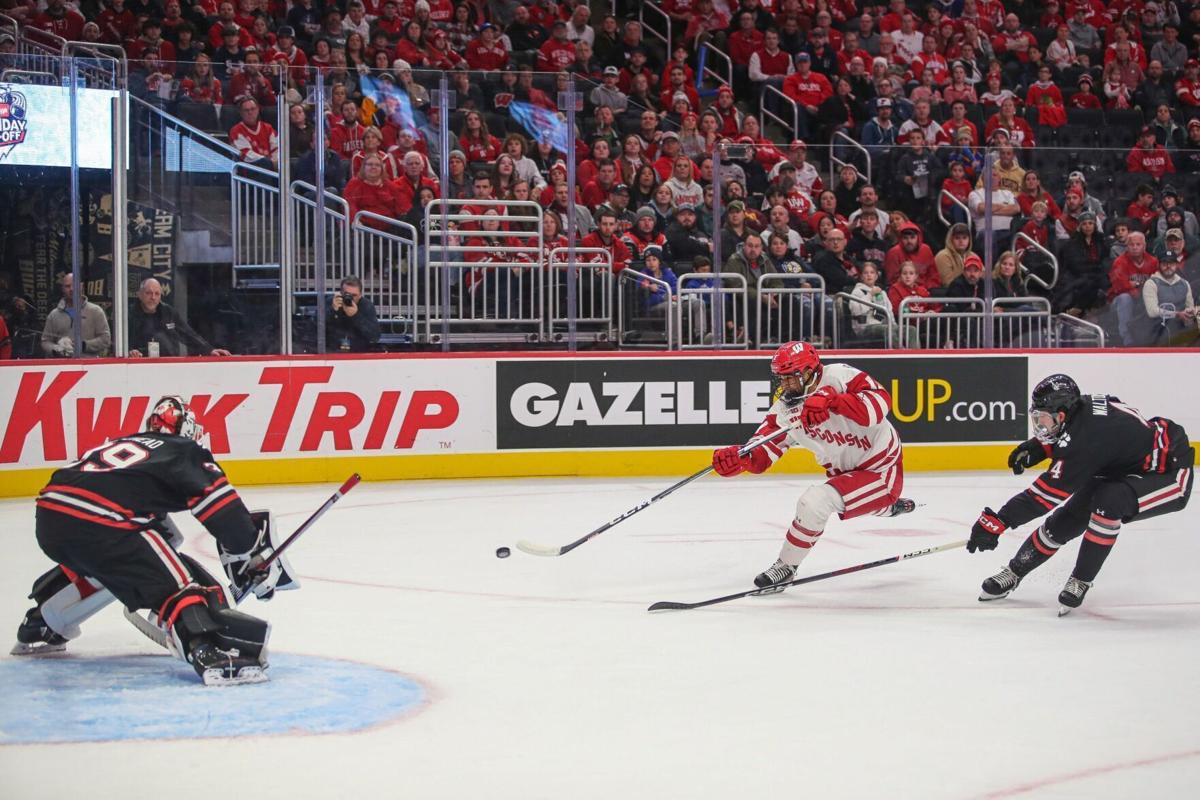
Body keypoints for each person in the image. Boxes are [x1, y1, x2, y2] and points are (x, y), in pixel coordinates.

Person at [10, 395, 293, 685]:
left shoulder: (123, 444)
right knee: (179, 580)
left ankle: (42, 624)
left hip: (50, 517)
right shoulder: (185, 449)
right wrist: (250, 552)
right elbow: (223, 509)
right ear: (187, 431)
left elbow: (162, 531)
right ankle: (208, 649)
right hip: (103, 520)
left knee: (118, 563)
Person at [968, 374, 1195, 614]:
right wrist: (1040, 446)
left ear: (1062, 414)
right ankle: (1015, 572)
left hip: (1168, 474)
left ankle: (1080, 580)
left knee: (1109, 501)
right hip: (1123, 466)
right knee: (1069, 518)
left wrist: (997, 522)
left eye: (1043, 419)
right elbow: (1074, 434)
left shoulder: (1087, 442)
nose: (1040, 426)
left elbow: (1042, 497)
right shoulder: (1082, 407)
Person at [710, 342, 914, 591]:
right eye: (781, 379)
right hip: (845, 475)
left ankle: (786, 567)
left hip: (882, 470)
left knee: (815, 501)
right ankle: (890, 508)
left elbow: (878, 407)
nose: (785, 386)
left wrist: (833, 400)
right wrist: (740, 459)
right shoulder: (785, 412)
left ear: (810, 372)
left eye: (791, 378)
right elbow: (762, 453)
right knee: (840, 496)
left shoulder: (839, 376)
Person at [129, 278, 232, 358]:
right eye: (149, 293)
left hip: (169, 364)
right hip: (140, 365)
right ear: (139, 295)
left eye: (157, 294)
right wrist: (130, 351)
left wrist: (209, 350)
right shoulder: (129, 314)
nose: (153, 297)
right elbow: (119, 342)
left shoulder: (168, 312)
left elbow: (188, 333)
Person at [40, 272, 111, 358]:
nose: (72, 289)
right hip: (62, 367)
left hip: (89, 367)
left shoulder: (95, 311)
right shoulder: (54, 315)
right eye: (67, 286)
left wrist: (83, 345)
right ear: (62, 289)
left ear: (81, 286)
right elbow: (45, 342)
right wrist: (56, 349)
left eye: (74, 285)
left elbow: (105, 339)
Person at [327, 276, 379, 352]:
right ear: (341, 292)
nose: (350, 298)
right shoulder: (331, 302)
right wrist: (332, 310)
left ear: (360, 295)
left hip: (358, 353)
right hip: (332, 351)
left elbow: (375, 336)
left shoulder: (366, 305)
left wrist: (356, 316)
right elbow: (314, 329)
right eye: (347, 294)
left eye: (354, 295)